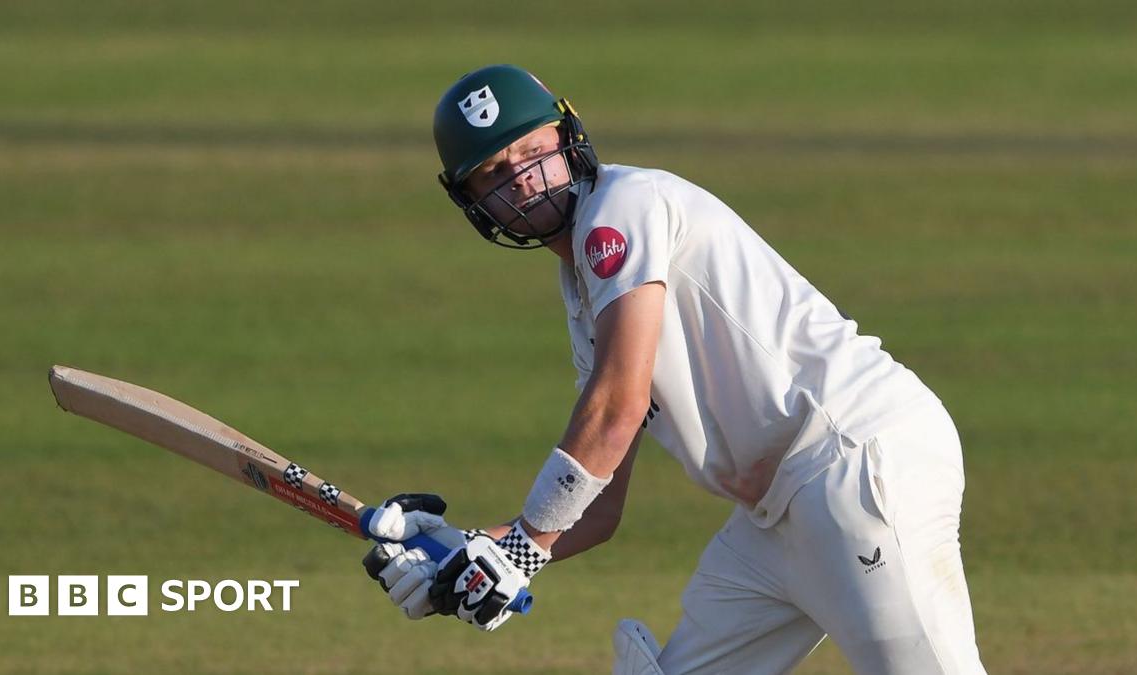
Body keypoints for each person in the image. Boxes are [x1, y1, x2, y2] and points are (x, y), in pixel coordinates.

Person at [360, 64, 987, 675]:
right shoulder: (585, 299)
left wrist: (519, 550)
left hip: (853, 463)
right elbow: (598, 509)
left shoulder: (622, 208)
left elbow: (616, 408)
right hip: (775, 517)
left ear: (567, 134)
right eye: (494, 173)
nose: (522, 180)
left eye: (532, 151)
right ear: (471, 203)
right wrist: (462, 553)